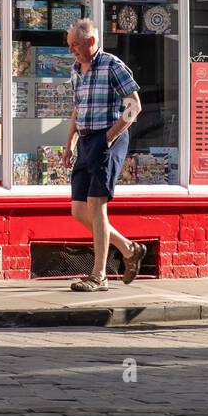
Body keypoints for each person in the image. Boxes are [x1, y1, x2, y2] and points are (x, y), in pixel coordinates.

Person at [62, 18, 147, 292]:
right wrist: (69, 143)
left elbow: (134, 106)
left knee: (96, 204)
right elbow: (78, 108)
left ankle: (99, 276)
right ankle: (129, 249)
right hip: (86, 140)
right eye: (70, 45)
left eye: (75, 44)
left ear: (91, 41)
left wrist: (110, 137)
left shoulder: (112, 65)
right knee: (78, 209)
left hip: (107, 138)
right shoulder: (76, 70)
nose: (72, 50)